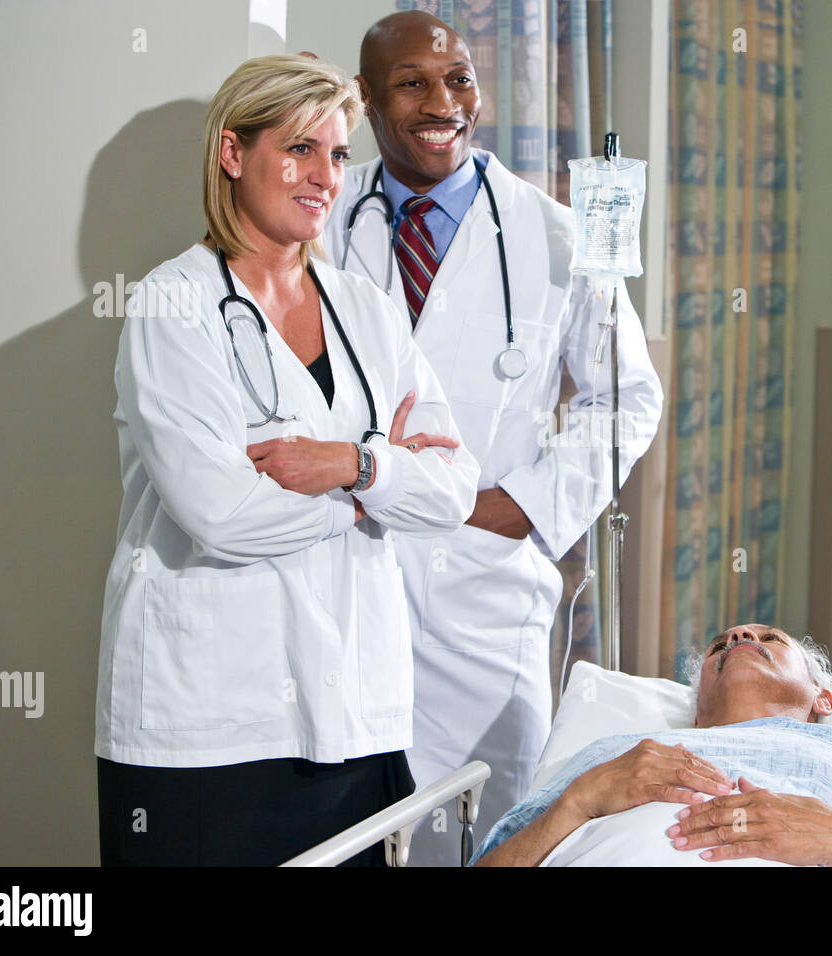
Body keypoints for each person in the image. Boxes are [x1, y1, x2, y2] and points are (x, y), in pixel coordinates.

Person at [95, 54, 480, 866]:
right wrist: (381, 483)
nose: (325, 177)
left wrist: (347, 464)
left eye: (338, 155)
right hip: (208, 725)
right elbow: (222, 515)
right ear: (233, 154)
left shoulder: (368, 311)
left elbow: (453, 491)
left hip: (360, 715)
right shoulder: (174, 306)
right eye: (300, 149)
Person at [323, 11, 664, 865]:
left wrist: (523, 505)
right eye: (412, 84)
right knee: (343, 830)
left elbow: (629, 398)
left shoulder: (556, 235)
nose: (444, 102)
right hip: (337, 576)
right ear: (365, 99)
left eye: (460, 79)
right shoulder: (324, 221)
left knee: (485, 834)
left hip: (480, 590)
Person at [472, 624, 832, 866]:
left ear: (823, 698)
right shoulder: (612, 756)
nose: (740, 634)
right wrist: (575, 802)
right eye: (719, 646)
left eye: (769, 637)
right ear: (696, 704)